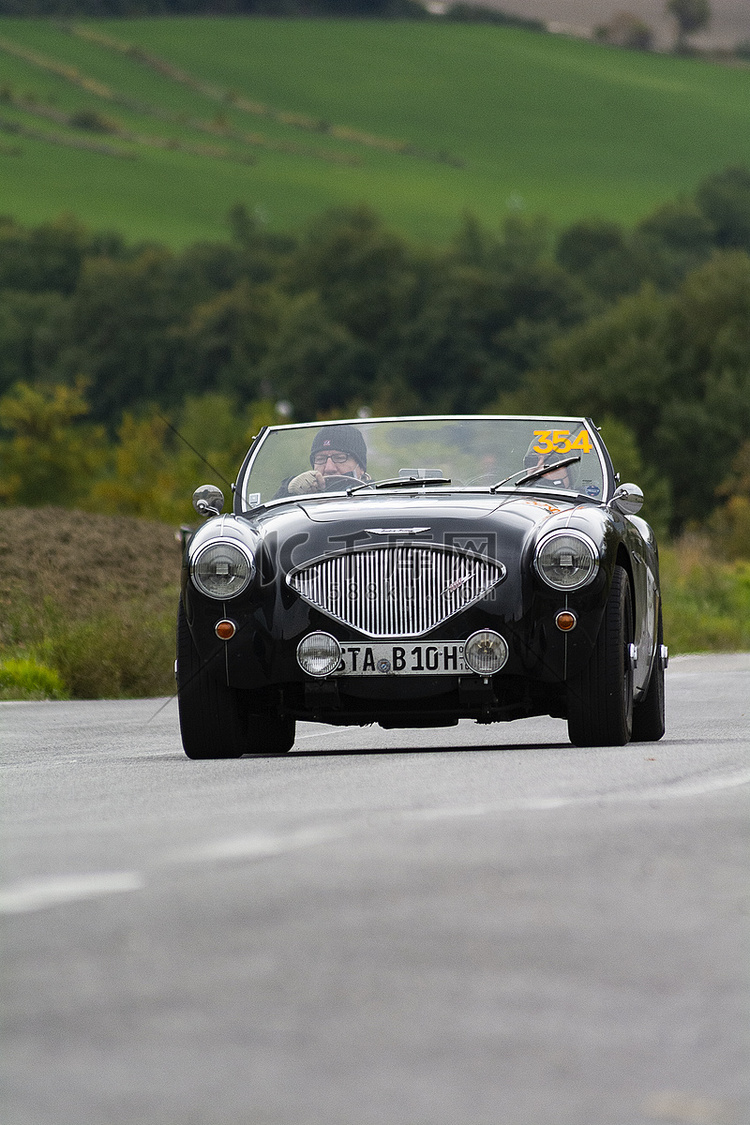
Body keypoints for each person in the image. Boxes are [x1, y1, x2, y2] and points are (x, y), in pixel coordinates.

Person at [279, 424, 370, 496]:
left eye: (340, 458)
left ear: (361, 467)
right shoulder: (301, 504)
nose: (329, 468)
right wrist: (289, 491)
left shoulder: (376, 499)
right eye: (320, 459)